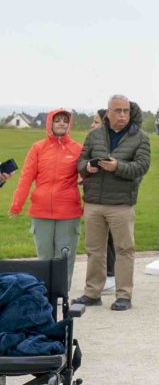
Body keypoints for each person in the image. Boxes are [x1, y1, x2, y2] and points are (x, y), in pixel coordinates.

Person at [76, 96, 150, 310]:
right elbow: (80, 161)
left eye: (126, 110)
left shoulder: (141, 137)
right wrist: (86, 167)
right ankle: (92, 293)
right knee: (94, 250)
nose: (122, 115)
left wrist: (118, 166)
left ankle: (124, 296)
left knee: (124, 249)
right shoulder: (94, 135)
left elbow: (142, 166)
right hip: (94, 202)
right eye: (117, 110)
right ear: (108, 112)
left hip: (121, 204)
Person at [8, 106, 84, 291]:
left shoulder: (78, 149)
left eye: (65, 121)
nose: (61, 124)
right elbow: (26, 178)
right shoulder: (37, 148)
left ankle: (62, 294)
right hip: (41, 212)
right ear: (50, 123)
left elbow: (87, 177)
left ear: (69, 125)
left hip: (68, 213)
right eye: (57, 120)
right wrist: (17, 205)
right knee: (44, 258)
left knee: (64, 257)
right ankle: (44, 294)